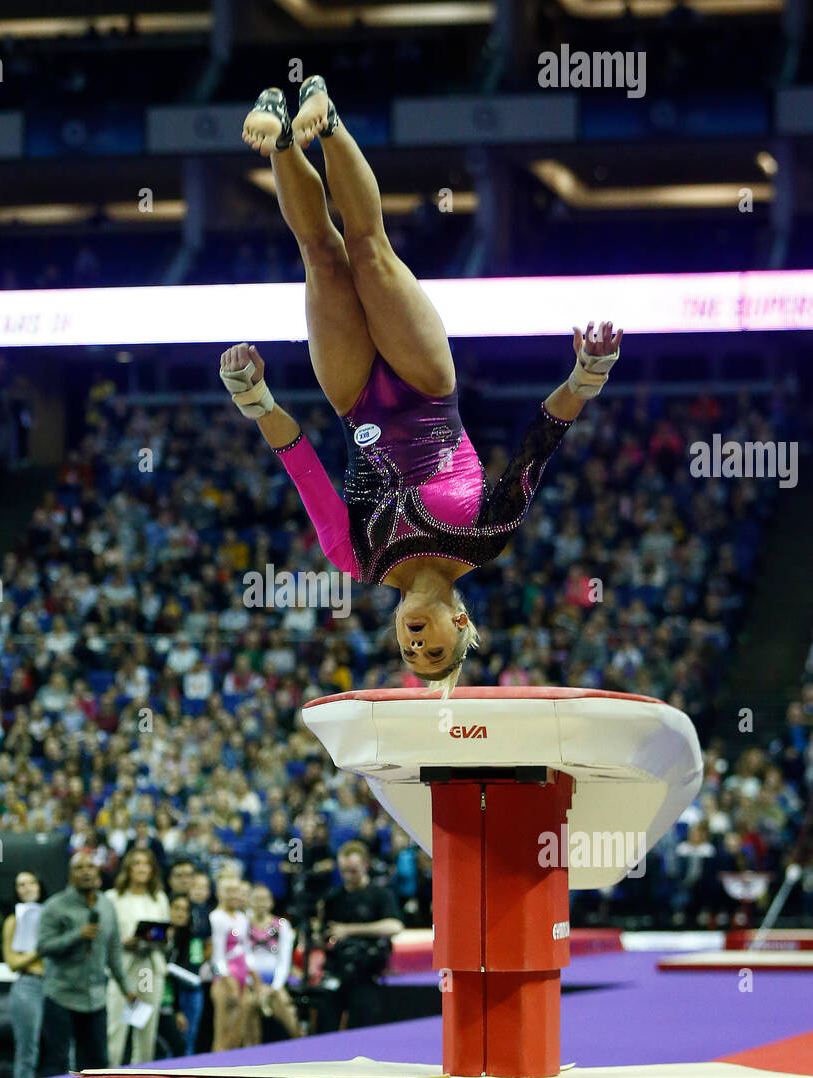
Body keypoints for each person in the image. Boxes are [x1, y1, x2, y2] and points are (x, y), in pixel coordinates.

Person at [228, 74, 622, 695]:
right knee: (368, 249)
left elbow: (299, 462)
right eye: (433, 647)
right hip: (426, 386)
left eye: (409, 651)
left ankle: (281, 137)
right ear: (461, 622)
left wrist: (254, 398)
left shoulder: (357, 558)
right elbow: (539, 444)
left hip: (353, 396)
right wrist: (586, 375)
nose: (414, 641)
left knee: (320, 256)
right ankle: (328, 122)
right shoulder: (486, 536)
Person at [37, 852, 140, 1075]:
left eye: (91, 867)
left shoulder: (107, 906)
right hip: (61, 997)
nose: (86, 872)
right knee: (55, 1062)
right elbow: (43, 947)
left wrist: (126, 989)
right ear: (70, 875)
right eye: (80, 868)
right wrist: (77, 935)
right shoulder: (54, 907)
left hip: (95, 999)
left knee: (97, 1064)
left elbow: (114, 952)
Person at [317, 841, 402, 1031]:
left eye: (353, 870)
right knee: (325, 1024)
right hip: (336, 969)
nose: (348, 876)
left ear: (365, 865)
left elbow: (395, 925)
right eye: (344, 871)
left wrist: (350, 930)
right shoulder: (333, 897)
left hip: (366, 971)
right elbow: (323, 933)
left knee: (362, 1027)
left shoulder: (380, 895)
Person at [105, 847, 170, 1066]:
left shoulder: (159, 898)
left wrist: (162, 936)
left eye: (147, 864)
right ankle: (108, 1074)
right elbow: (106, 935)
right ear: (128, 868)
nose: (142, 868)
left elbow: (165, 934)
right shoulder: (113, 897)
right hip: (123, 965)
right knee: (116, 1026)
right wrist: (124, 941)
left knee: (147, 1027)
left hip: (151, 965)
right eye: (137, 863)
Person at [1, 869, 46, 1078]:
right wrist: (40, 951)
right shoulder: (12, 921)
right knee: (27, 1051)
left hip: (57, 985)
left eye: (32, 882)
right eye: (21, 884)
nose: (27, 888)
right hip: (29, 984)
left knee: (64, 1049)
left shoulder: (51, 915)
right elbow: (12, 962)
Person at [244, 884, 300, 1043]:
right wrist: (256, 985)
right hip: (251, 983)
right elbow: (245, 957)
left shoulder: (282, 925)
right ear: (249, 901)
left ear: (271, 902)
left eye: (265, 899)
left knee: (289, 1016)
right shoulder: (243, 924)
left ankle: (301, 1048)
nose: (261, 903)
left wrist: (274, 987)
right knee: (249, 1007)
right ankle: (251, 1056)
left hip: (275, 983)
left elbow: (284, 960)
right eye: (257, 899)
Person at [208, 876, 254, 1051]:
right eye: (229, 891)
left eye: (236, 891)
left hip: (243, 976)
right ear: (219, 893)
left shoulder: (242, 918)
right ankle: (213, 1072)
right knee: (223, 1031)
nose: (234, 895)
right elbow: (217, 955)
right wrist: (227, 980)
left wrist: (253, 978)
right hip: (225, 979)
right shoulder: (216, 917)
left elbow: (247, 951)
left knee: (238, 1032)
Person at [161, 893, 207, 1056]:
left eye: (185, 910)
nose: (180, 913)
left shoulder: (194, 938)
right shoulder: (160, 934)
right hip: (166, 995)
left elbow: (193, 970)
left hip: (189, 994)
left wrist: (169, 969)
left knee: (186, 1042)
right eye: (176, 908)